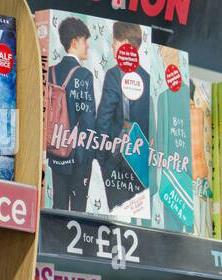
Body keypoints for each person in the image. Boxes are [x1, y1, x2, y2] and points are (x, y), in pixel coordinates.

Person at [96, 22, 151, 214]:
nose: (112, 45)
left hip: (117, 163)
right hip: (140, 166)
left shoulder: (114, 75)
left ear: (125, 43)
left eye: (115, 40)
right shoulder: (148, 78)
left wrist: (102, 161)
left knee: (116, 222)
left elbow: (103, 121)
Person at [46, 16, 98, 211]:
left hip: (55, 151)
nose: (88, 46)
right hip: (77, 157)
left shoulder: (50, 72)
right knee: (78, 210)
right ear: (74, 42)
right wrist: (87, 159)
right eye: (85, 41)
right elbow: (88, 121)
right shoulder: (84, 75)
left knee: (58, 206)